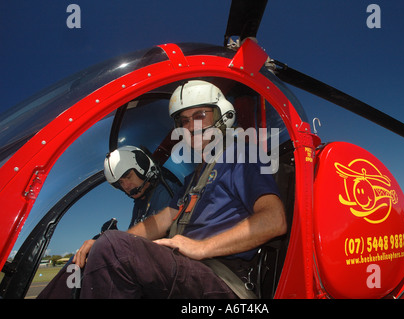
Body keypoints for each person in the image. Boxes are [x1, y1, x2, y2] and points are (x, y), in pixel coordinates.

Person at [78, 80, 287, 299]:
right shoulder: (193, 179)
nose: (189, 127)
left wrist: (201, 247)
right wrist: (104, 241)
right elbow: (160, 222)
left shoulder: (242, 158)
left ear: (222, 116)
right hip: (187, 271)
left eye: (199, 115)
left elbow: (274, 220)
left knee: (112, 248)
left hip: (222, 278)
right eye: (184, 120)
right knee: (84, 263)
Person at [37, 146, 178, 298]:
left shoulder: (166, 191)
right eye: (121, 183)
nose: (126, 186)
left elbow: (158, 234)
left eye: (128, 177)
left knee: (91, 260)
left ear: (142, 166)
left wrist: (108, 244)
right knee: (79, 262)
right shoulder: (141, 202)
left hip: (161, 276)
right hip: (144, 270)